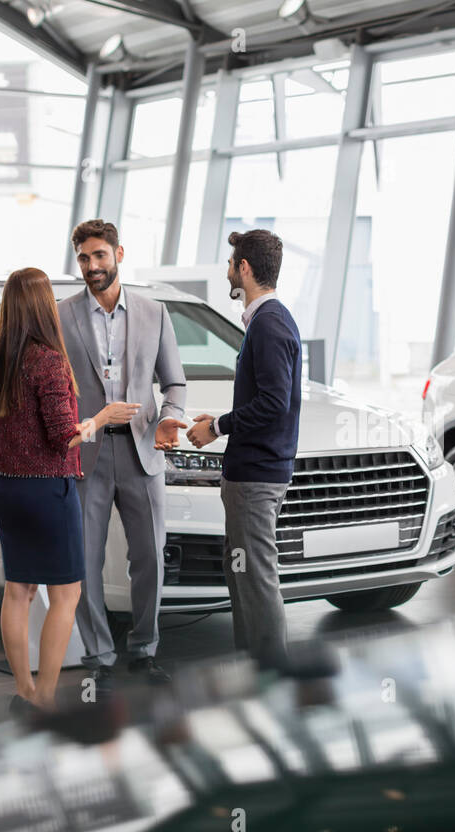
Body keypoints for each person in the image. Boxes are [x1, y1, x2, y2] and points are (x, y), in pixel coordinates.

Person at [0, 267, 138, 714]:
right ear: (44, 307)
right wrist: (101, 418)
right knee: (66, 594)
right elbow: (66, 435)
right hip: (46, 491)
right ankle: (45, 697)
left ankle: (23, 689)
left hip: (2, 486)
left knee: (17, 591)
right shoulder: (48, 360)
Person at [186, 229, 336, 679]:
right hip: (254, 473)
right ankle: (254, 675)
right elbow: (271, 397)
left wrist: (217, 427)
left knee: (257, 581)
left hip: (255, 478)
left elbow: (273, 403)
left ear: (244, 269)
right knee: (246, 579)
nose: (229, 270)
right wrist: (225, 419)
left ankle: (271, 681)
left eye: (232, 263)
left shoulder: (268, 324)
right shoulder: (271, 320)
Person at [60, 219, 189, 695]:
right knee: (84, 560)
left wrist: (171, 417)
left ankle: (145, 649)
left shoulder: (155, 312)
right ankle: (98, 655)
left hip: (143, 450)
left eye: (99, 256)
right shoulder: (61, 314)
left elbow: (174, 381)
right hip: (86, 453)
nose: (92, 267)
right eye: (83, 259)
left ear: (118, 253)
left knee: (150, 557)